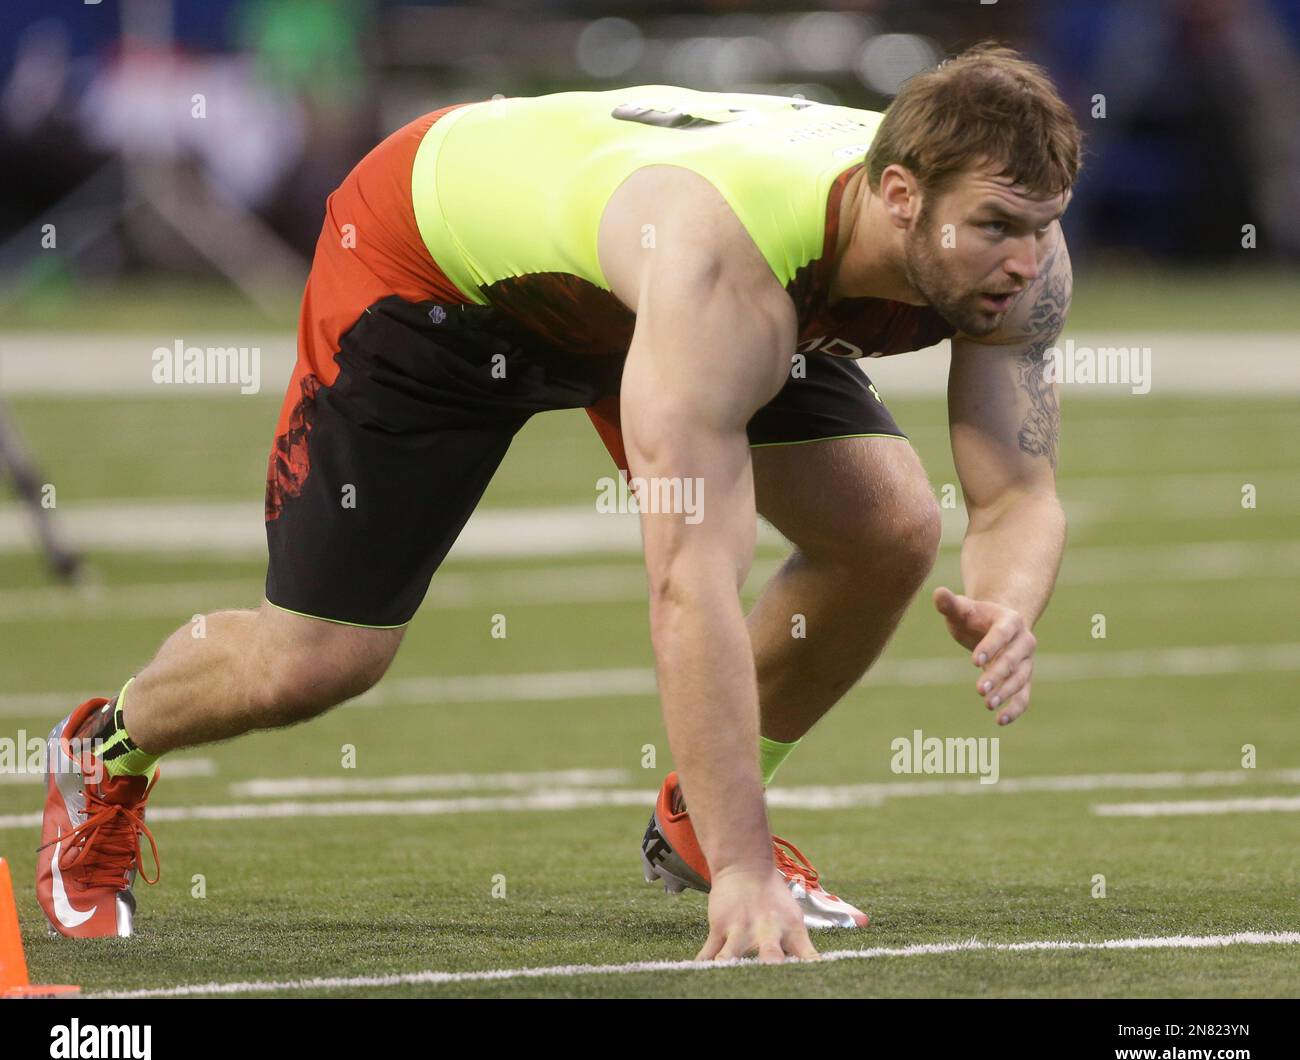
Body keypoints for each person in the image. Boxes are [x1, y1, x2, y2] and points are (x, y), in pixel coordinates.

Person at [38, 43, 1080, 963]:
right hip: (438, 268)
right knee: (318, 659)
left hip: (632, 282)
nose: (1025, 260)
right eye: (994, 226)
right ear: (898, 194)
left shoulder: (1013, 256)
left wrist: (1006, 602)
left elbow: (1017, 492)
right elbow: (688, 584)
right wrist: (745, 866)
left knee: (888, 528)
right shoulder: (726, 271)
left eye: (1040, 227)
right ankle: (106, 745)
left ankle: (693, 810)